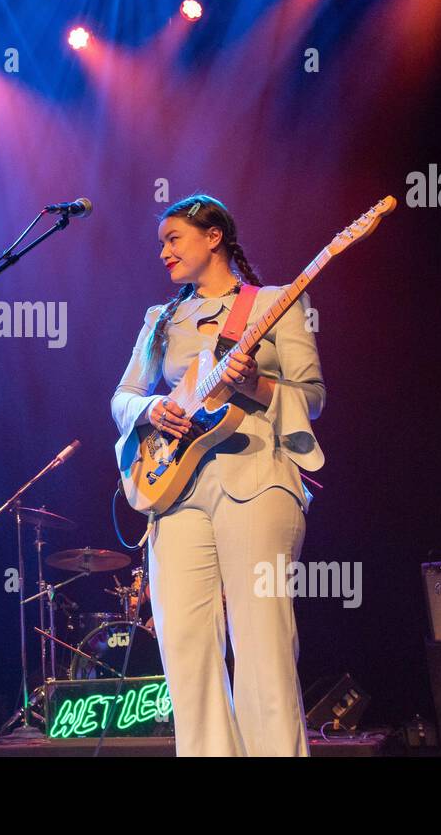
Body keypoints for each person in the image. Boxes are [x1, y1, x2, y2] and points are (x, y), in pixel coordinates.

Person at [111, 194, 325, 756]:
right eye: (161, 243)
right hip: (176, 492)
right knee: (185, 652)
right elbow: (123, 396)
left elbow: (314, 398)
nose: (163, 252)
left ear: (214, 237)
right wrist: (151, 409)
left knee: (262, 647)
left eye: (173, 239)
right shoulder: (159, 319)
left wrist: (253, 383)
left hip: (255, 479)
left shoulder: (276, 303)